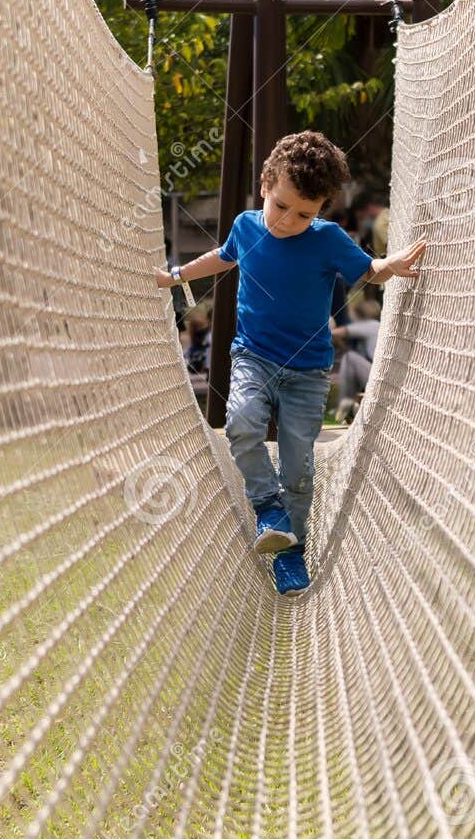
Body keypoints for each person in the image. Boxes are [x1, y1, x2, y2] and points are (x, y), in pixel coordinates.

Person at [154, 131, 426, 595]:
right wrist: (175, 275)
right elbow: (221, 258)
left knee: (299, 465)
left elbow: (367, 268)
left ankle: (289, 553)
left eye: (305, 213)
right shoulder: (245, 226)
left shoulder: (326, 240)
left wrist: (390, 264)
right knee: (240, 423)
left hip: (308, 371)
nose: (289, 220)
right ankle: (268, 508)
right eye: (281, 206)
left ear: (320, 208)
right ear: (265, 185)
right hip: (253, 357)